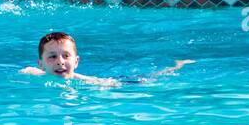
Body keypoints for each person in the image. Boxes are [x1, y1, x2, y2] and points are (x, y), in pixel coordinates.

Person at [20, 31, 193, 87]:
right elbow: (27, 70)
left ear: (76, 62)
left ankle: (176, 67)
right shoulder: (36, 73)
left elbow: (106, 84)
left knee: (147, 78)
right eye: (52, 57)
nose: (60, 61)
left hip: (114, 81)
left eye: (66, 56)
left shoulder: (84, 81)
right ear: (41, 64)